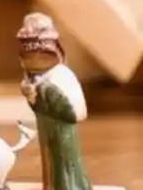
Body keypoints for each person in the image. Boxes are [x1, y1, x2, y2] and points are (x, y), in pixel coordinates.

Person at [17, 13, 92, 190]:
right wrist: (30, 93)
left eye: (42, 56)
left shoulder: (61, 76)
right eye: (29, 57)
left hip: (62, 129)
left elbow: (75, 111)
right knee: (49, 163)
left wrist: (44, 91)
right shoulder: (35, 78)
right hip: (46, 127)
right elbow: (37, 105)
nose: (34, 61)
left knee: (63, 163)